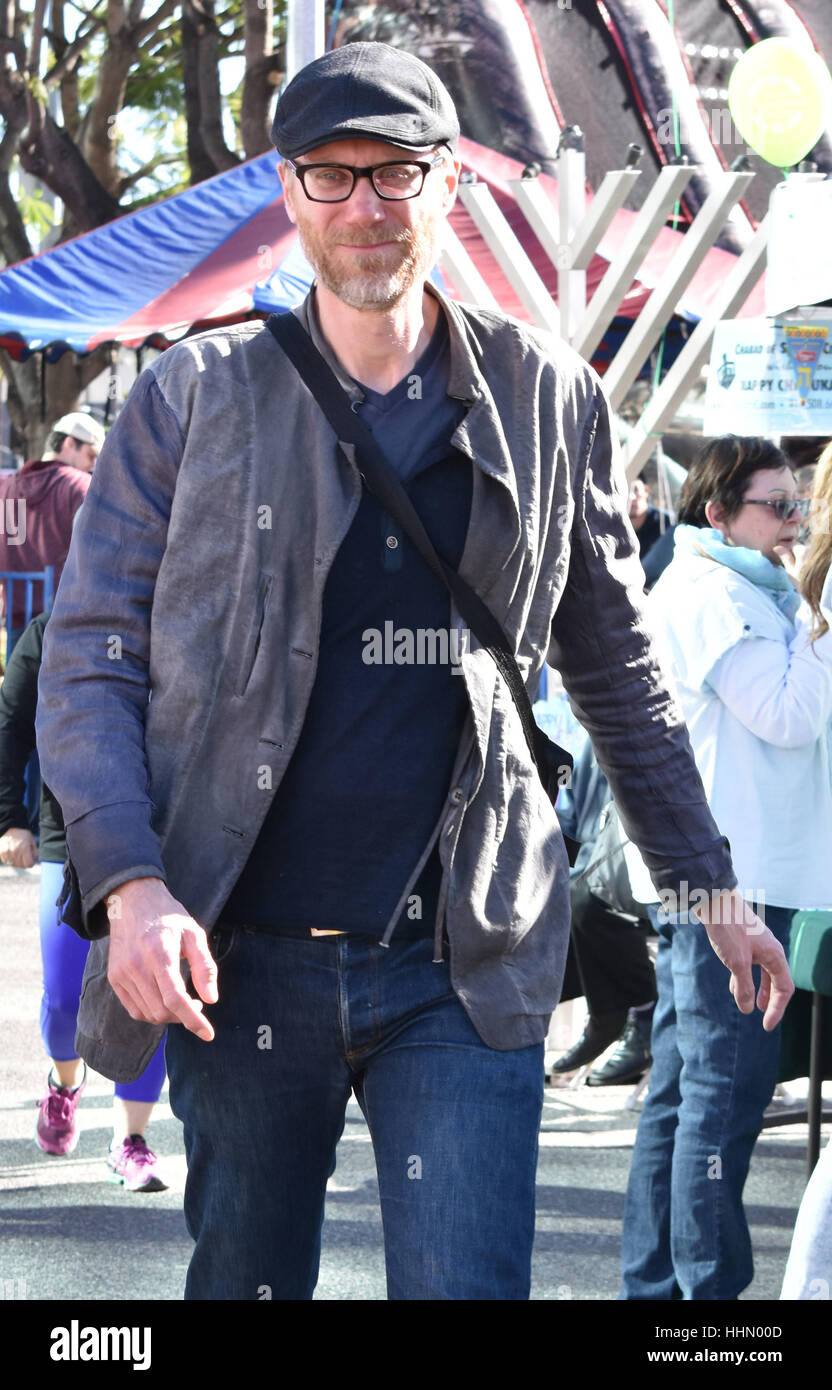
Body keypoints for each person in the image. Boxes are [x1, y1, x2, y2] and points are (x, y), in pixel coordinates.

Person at [36, 44, 792, 1302]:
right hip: (242, 953)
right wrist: (129, 884)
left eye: (396, 174)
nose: (365, 209)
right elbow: (91, 656)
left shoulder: (547, 398)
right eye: (331, 177)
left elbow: (618, 671)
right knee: (245, 1282)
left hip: (462, 953)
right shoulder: (192, 399)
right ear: (290, 192)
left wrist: (707, 882)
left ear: (447, 188)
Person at [620, 435, 832, 1301]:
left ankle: (662, 1295)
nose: (794, 524)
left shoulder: (744, 585)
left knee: (683, 1098)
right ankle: (707, 1311)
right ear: (717, 513)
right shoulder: (710, 592)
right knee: (720, 1099)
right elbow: (787, 714)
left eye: (800, 505)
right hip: (735, 890)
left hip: (736, 880)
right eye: (776, 507)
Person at [0, 611, 168, 1190]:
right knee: (65, 995)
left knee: (152, 990)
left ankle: (131, 1140)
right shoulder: (50, 631)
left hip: (161, 836)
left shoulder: (179, 622)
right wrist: (8, 820)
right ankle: (64, 1082)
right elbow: (10, 724)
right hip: (66, 835)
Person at [0, 412, 102, 650]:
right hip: (65, 620)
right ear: (69, 443)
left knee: (19, 688)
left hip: (17, 616)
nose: (93, 464)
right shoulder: (81, 486)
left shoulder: (6, 487)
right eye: (91, 455)